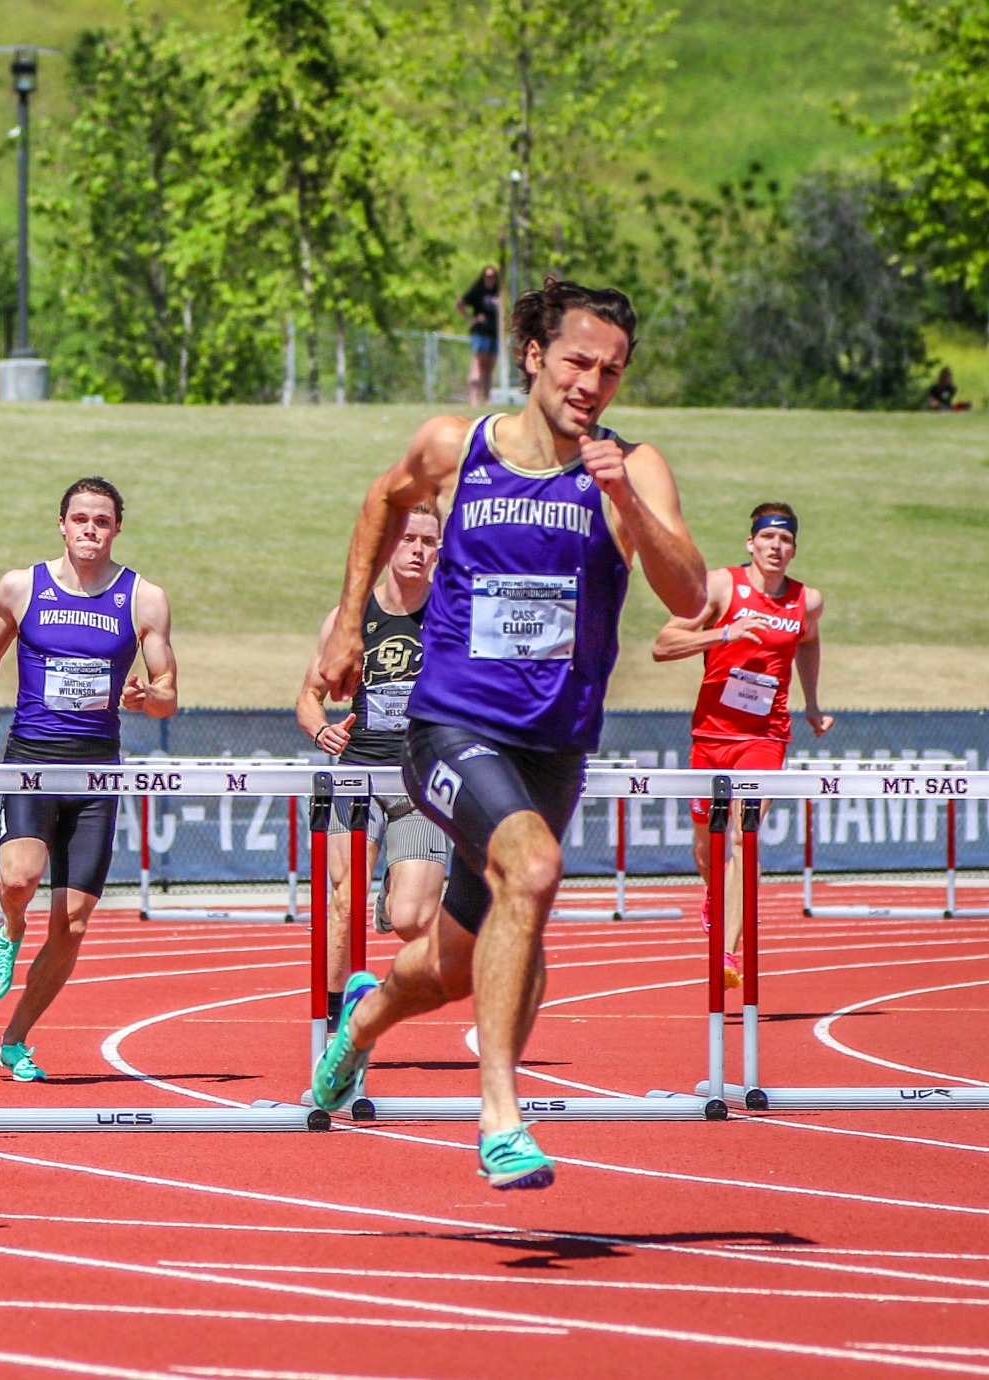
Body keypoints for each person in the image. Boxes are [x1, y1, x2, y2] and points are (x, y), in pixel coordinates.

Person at [310, 277, 707, 1190]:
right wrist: (345, 623)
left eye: (610, 370)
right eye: (576, 361)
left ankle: (362, 1021)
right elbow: (381, 500)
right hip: (447, 727)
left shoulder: (631, 468)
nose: (591, 383)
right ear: (533, 356)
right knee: (532, 868)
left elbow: (689, 597)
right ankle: (499, 1116)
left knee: (454, 964)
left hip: (552, 747)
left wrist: (633, 509)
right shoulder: (461, 447)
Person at [0, 477, 177, 1082]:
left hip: (97, 774)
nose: (90, 529)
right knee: (19, 880)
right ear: (61, 525)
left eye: (102, 520)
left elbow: (169, 694)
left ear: (117, 528)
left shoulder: (143, 598)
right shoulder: (22, 587)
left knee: (71, 923)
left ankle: (15, 1039)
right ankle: (10, 928)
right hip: (32, 763)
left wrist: (150, 699)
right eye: (80, 519)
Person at [653, 502, 830, 987]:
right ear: (750, 542)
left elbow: (809, 641)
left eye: (787, 541)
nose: (777, 547)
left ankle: (728, 954)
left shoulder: (805, 601)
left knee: (741, 836)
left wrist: (811, 703)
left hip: (765, 737)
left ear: (794, 549)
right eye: (769, 538)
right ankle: (717, 895)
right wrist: (725, 632)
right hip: (710, 734)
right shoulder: (720, 586)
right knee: (706, 848)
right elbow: (663, 644)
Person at [295, 502, 449, 1016]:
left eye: (429, 542)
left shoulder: (452, 615)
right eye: (408, 539)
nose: (418, 551)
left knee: (411, 919)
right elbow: (308, 698)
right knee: (345, 900)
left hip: (422, 783)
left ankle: (391, 898)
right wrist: (322, 732)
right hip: (357, 774)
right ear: (388, 547)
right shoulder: (351, 618)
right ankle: (337, 1017)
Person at [457, 266, 501, 408]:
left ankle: (487, 400)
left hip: (494, 333)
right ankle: (474, 400)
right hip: (480, 333)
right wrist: (471, 319)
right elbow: (459, 304)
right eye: (487, 276)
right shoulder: (477, 291)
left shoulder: (499, 292)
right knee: (478, 365)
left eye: (493, 276)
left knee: (489, 367)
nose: (490, 279)